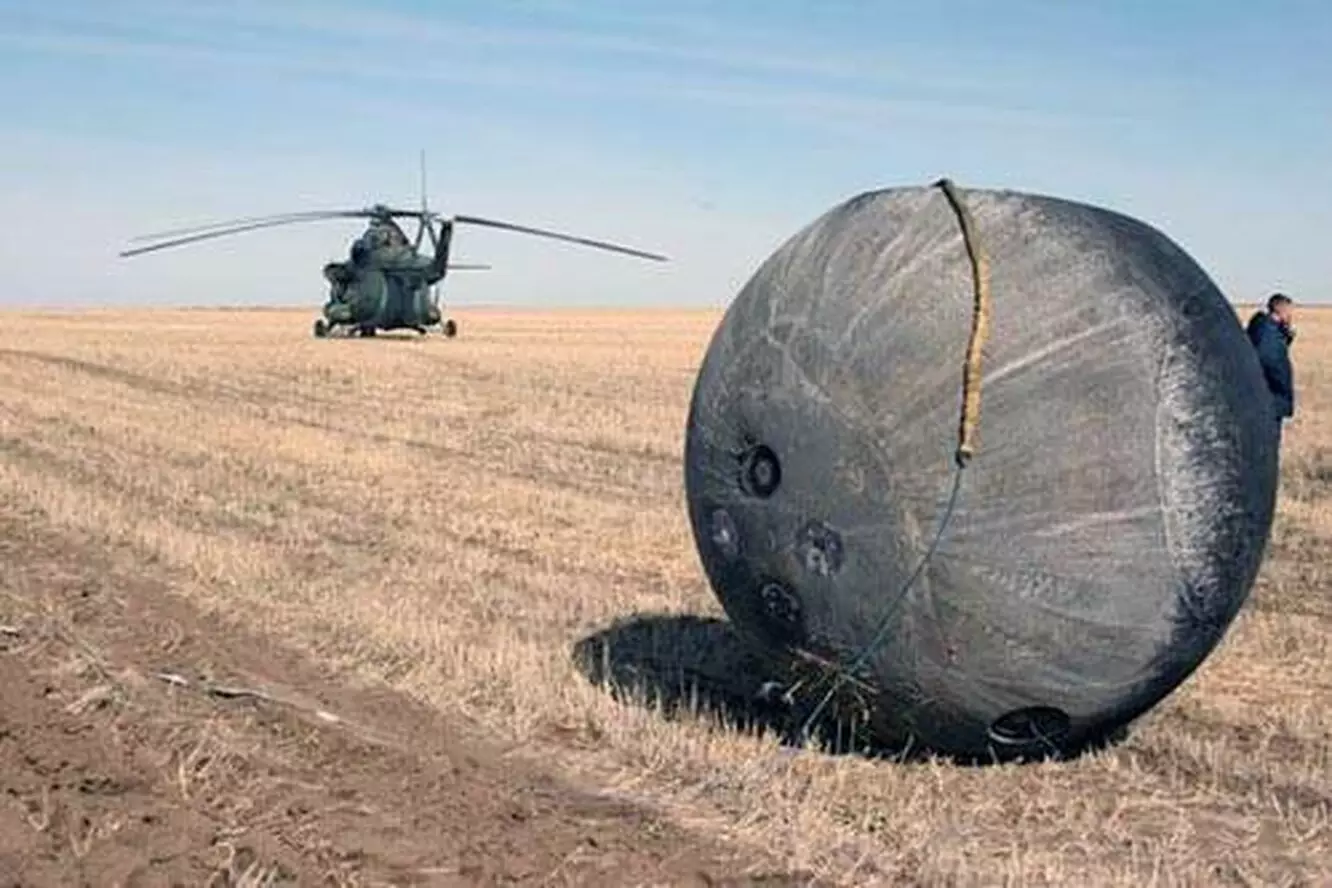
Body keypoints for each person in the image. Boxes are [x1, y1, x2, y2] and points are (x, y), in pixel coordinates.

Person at [1245, 293, 1296, 435]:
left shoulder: (1264, 328)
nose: (1291, 315)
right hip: (1270, 399)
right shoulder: (1268, 334)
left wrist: (1285, 337)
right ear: (1281, 311)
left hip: (1263, 398)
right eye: (1289, 311)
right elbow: (1270, 359)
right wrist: (1281, 389)